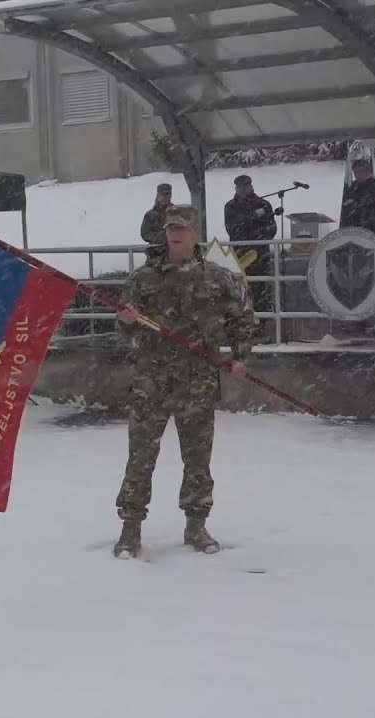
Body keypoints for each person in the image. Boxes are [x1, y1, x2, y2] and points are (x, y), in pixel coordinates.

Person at [112, 205, 256, 559]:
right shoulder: (143, 279)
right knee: (141, 457)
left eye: (183, 227)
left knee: (197, 459)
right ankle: (130, 529)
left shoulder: (218, 278)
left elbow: (242, 317)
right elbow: (123, 326)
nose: (176, 232)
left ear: (195, 233)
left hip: (197, 383)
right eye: (171, 227)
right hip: (152, 382)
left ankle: (196, 525)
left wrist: (239, 355)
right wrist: (128, 320)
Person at [224, 175, 278, 317]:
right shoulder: (230, 207)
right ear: (235, 188)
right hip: (240, 256)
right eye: (240, 186)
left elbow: (271, 230)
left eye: (245, 186)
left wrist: (255, 235)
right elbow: (233, 230)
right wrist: (252, 217)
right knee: (240, 291)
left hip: (260, 255)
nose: (243, 189)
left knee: (261, 290)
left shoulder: (264, 205)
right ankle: (242, 324)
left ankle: (262, 321)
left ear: (251, 186)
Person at [140, 183, 174, 263]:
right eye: (163, 194)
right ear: (158, 195)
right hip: (156, 255)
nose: (166, 196)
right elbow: (145, 234)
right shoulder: (151, 215)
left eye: (168, 194)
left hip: (174, 254)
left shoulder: (175, 212)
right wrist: (159, 238)